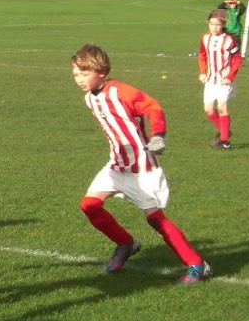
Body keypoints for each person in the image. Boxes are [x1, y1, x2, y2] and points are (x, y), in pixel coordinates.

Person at [71, 43, 209, 283]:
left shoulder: (120, 91)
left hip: (142, 167)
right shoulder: (89, 99)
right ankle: (126, 243)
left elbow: (152, 107)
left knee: (156, 219)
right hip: (116, 165)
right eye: (75, 74)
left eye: (84, 74)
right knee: (89, 205)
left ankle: (197, 264)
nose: (79, 79)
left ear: (101, 71)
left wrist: (157, 135)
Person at [198, 6, 243, 149]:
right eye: (211, 24)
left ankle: (225, 142)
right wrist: (203, 72)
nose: (214, 27)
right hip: (211, 80)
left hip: (224, 80)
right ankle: (225, 131)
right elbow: (202, 55)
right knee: (209, 110)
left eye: (217, 25)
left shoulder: (230, 40)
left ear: (223, 25)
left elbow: (237, 58)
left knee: (222, 107)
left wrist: (230, 76)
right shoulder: (205, 38)